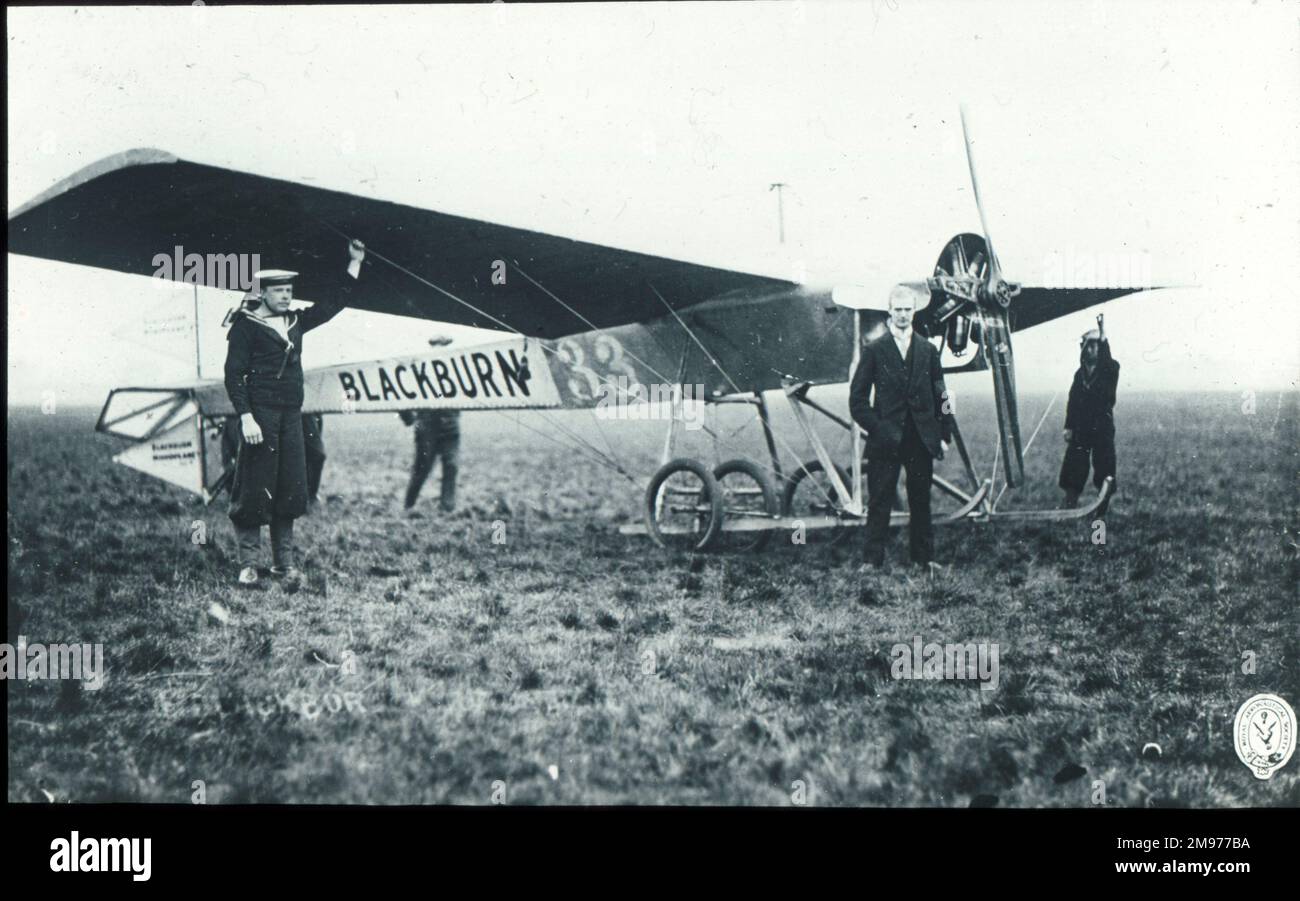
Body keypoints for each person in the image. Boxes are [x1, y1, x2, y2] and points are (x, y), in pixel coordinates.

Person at [224, 240, 367, 585]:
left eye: (289, 290)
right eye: (279, 291)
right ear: (263, 293)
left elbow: (334, 304)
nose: (286, 296)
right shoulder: (245, 326)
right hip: (260, 416)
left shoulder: (295, 322)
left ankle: (282, 565)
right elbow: (233, 374)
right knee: (254, 490)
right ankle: (248, 565)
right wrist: (246, 417)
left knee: (288, 488)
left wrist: (355, 263)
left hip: (292, 415)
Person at [849, 282, 954, 569]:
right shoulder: (874, 350)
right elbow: (857, 401)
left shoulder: (929, 351)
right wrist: (879, 428)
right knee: (880, 500)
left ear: (914, 311)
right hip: (886, 440)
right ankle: (872, 561)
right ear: (889, 312)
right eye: (898, 310)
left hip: (921, 438)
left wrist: (944, 433)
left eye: (908, 310)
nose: (904, 315)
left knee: (921, 501)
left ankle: (925, 559)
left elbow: (942, 395)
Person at [1059, 314, 1119, 511]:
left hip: (1102, 426)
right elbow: (1073, 401)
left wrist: (1103, 333)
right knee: (1074, 465)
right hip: (1081, 427)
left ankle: (1101, 510)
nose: (1093, 349)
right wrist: (1069, 426)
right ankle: (1070, 504)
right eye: (1089, 346)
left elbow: (1107, 360)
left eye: (1097, 346)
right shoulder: (1079, 374)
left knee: (1104, 467)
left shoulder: (1110, 368)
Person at [401, 337, 462, 513]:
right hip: (427, 427)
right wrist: (409, 417)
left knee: (451, 465)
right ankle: (409, 505)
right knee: (422, 468)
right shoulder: (420, 370)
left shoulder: (457, 370)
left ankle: (447, 508)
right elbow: (401, 391)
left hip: (450, 425)